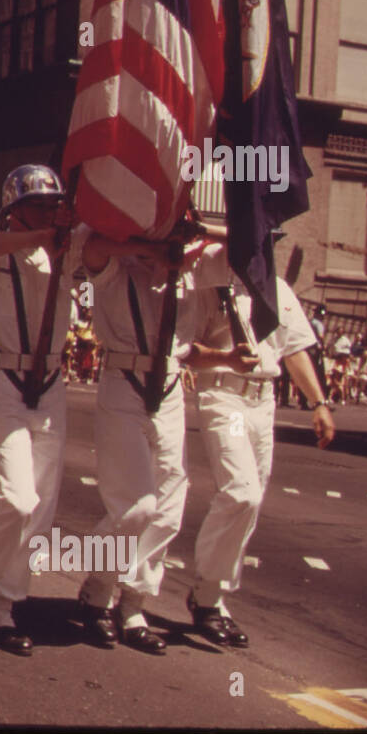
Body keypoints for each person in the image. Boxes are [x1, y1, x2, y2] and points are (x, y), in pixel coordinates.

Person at [73, 219, 232, 654]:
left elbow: (250, 241)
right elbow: (93, 243)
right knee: (135, 505)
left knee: (169, 508)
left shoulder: (191, 271)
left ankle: (133, 604)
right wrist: (150, 248)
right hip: (124, 380)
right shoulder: (116, 267)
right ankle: (98, 589)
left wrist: (198, 233)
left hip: (170, 387)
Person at [0, 165, 90, 655]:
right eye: (39, 204)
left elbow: (108, 247)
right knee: (15, 498)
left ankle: (4, 607)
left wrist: (67, 229)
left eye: (54, 204)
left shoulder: (66, 246)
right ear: (14, 210)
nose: (50, 211)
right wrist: (38, 236)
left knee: (40, 508)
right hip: (5, 378)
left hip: (51, 382)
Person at [184, 275, 335, 646]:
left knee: (253, 501)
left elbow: (294, 349)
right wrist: (225, 359)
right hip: (224, 395)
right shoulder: (213, 283)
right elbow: (188, 348)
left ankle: (213, 596)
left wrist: (318, 403)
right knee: (241, 493)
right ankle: (207, 596)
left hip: (264, 400)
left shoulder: (278, 289)